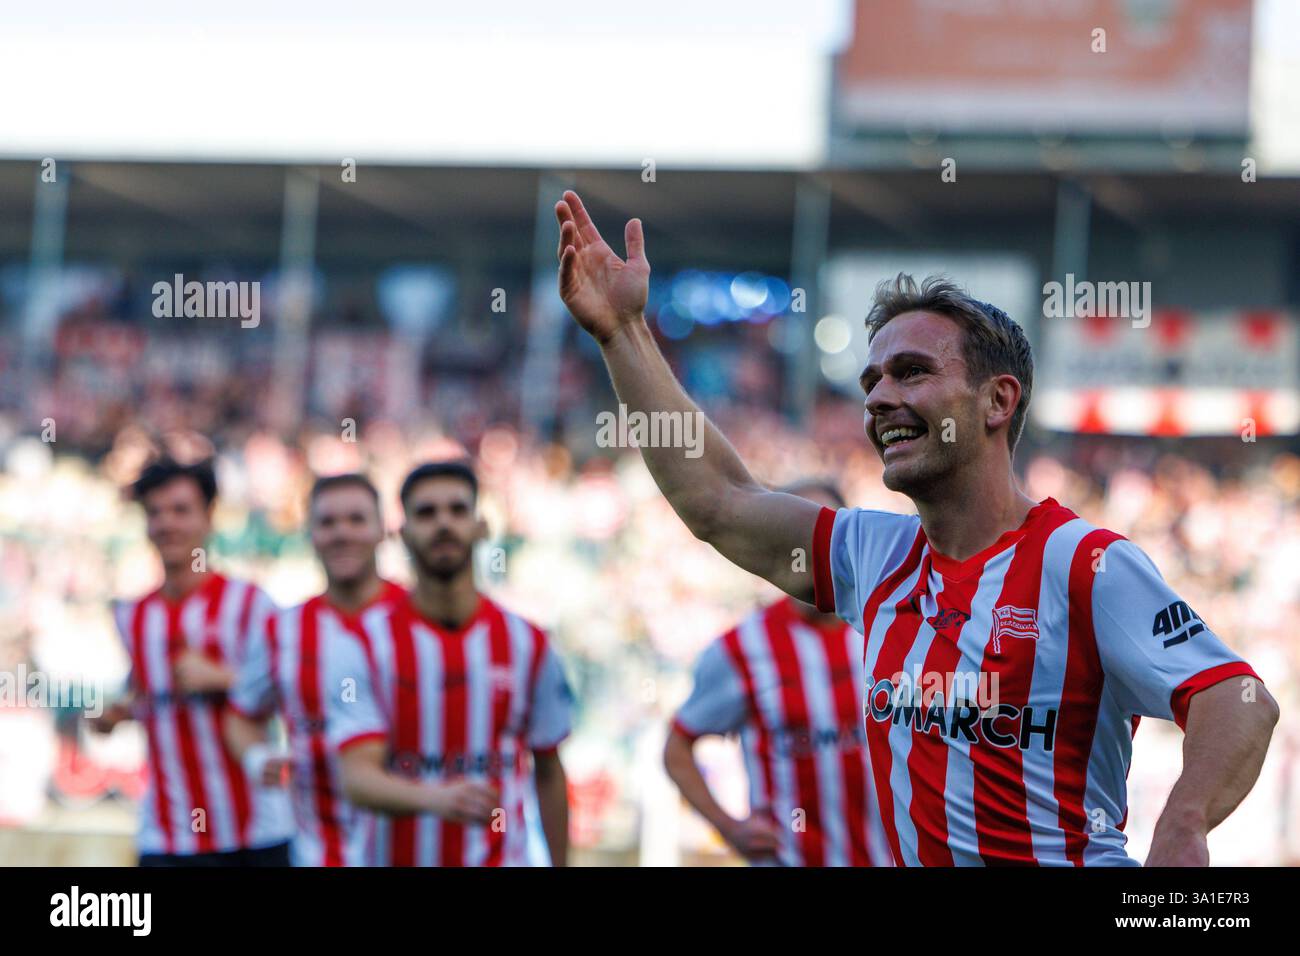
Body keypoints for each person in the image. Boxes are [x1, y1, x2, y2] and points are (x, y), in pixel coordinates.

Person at [553, 190, 1279, 867]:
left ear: (997, 401)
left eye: (910, 373)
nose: (880, 399)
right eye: (871, 382)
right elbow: (718, 501)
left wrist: (1183, 823)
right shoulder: (874, 556)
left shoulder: (1084, 565)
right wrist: (622, 332)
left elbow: (1241, 699)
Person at [325, 460, 573, 866]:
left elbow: (549, 770)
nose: (443, 524)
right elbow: (357, 779)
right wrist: (436, 798)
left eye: (457, 510)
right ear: (401, 533)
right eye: (426, 513)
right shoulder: (362, 644)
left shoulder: (529, 643)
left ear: (481, 526)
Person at [666, 480, 893, 867]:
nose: (813, 545)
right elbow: (677, 748)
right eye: (799, 531)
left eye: (826, 531)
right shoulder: (742, 648)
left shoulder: (889, 628)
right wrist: (730, 827)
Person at [96, 456, 293, 865]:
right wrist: (110, 715)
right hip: (166, 840)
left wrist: (224, 677)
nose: (167, 523)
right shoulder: (131, 616)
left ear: (209, 517)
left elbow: (296, 691)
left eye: (181, 510)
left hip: (255, 834)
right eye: (155, 513)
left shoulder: (252, 605)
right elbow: (138, 693)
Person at [223, 473, 407, 866]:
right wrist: (256, 757)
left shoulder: (419, 621)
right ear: (310, 534)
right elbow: (241, 715)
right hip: (316, 853)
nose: (342, 533)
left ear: (383, 531)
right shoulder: (281, 629)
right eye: (327, 522)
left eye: (356, 520)